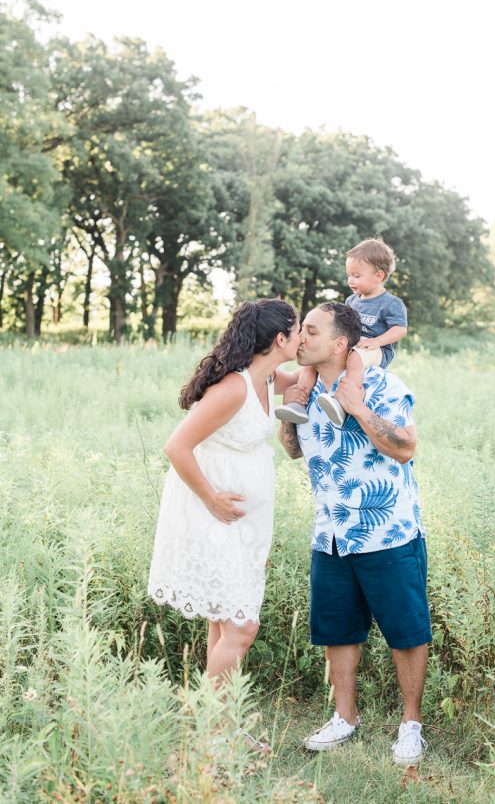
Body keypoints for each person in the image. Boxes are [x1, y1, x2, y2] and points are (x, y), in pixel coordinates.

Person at [278, 302, 431, 765]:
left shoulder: (380, 384)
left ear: (340, 343)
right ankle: (345, 716)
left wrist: (359, 408)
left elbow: (405, 448)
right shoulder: (303, 389)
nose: (300, 338)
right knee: (337, 630)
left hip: (387, 530)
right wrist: (292, 416)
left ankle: (411, 724)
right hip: (331, 532)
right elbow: (293, 452)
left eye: (310, 330)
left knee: (405, 630)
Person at [148, 300, 301, 692]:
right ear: (281, 338)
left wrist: (350, 352)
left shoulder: (269, 378)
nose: (302, 337)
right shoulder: (234, 387)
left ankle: (218, 731)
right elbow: (176, 446)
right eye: (300, 330)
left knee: (224, 619)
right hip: (210, 512)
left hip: (242, 521)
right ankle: (208, 732)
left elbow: (305, 377)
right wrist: (212, 498)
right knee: (242, 626)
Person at [275, 237, 407, 427]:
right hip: (353, 344)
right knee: (312, 362)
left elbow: (400, 329)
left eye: (356, 276)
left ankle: (342, 402)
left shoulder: (390, 303)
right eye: (349, 275)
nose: (350, 280)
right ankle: (298, 402)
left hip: (375, 349)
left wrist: (377, 341)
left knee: (354, 358)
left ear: (378, 276)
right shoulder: (352, 301)